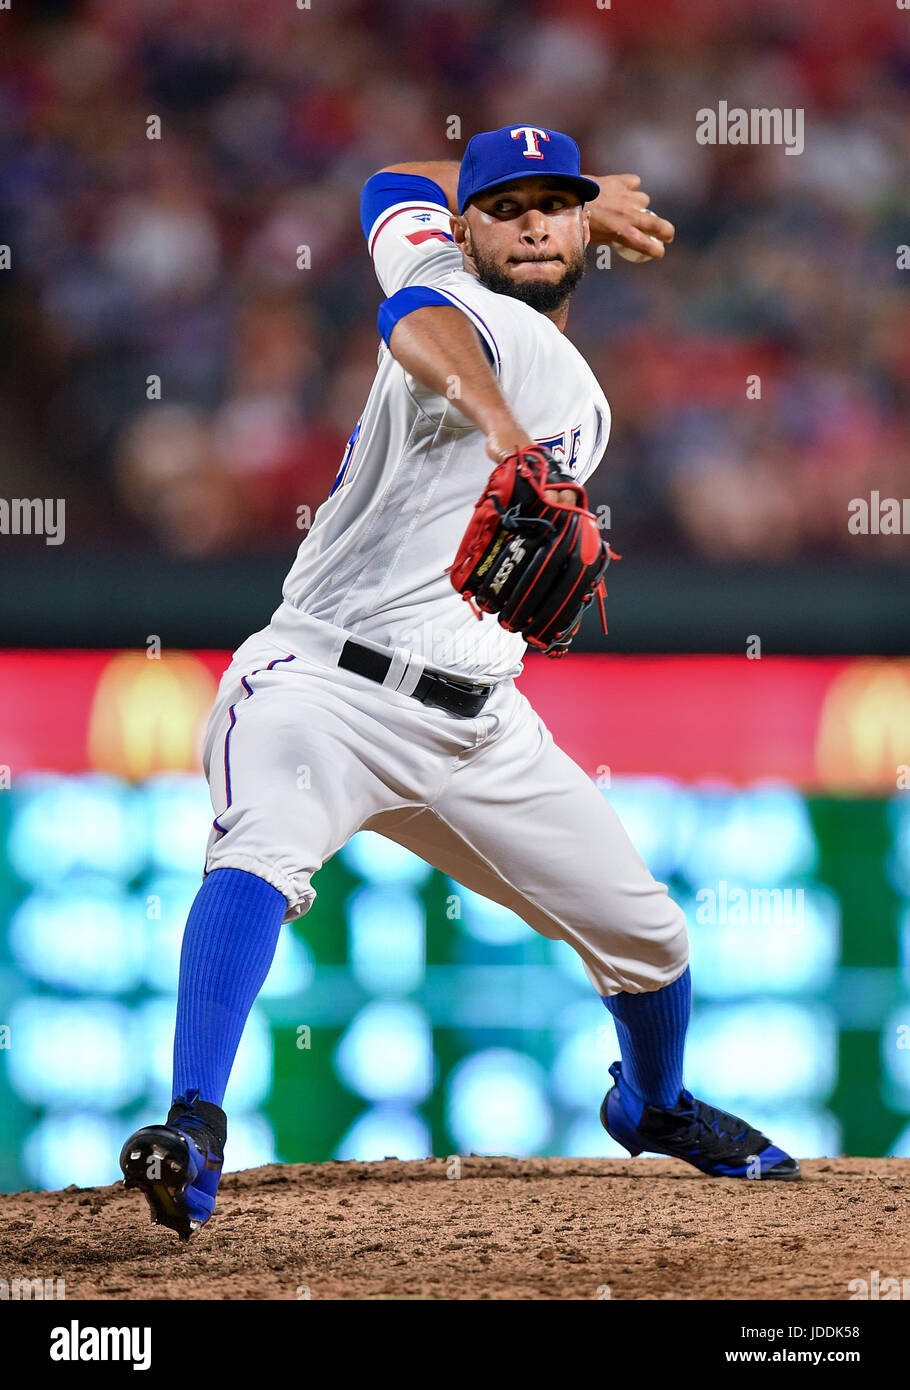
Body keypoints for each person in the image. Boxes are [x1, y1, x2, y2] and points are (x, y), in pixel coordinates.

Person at [120, 124, 798, 1241]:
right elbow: (413, 324)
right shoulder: (471, 314)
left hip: (482, 726)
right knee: (255, 855)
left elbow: (388, 181)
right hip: (322, 688)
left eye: (554, 203)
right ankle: (194, 1122)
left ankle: (657, 1106)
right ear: (467, 233)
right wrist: (499, 429)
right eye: (505, 205)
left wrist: (502, 183)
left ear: (586, 227)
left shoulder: (435, 256)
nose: (532, 221)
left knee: (652, 941)